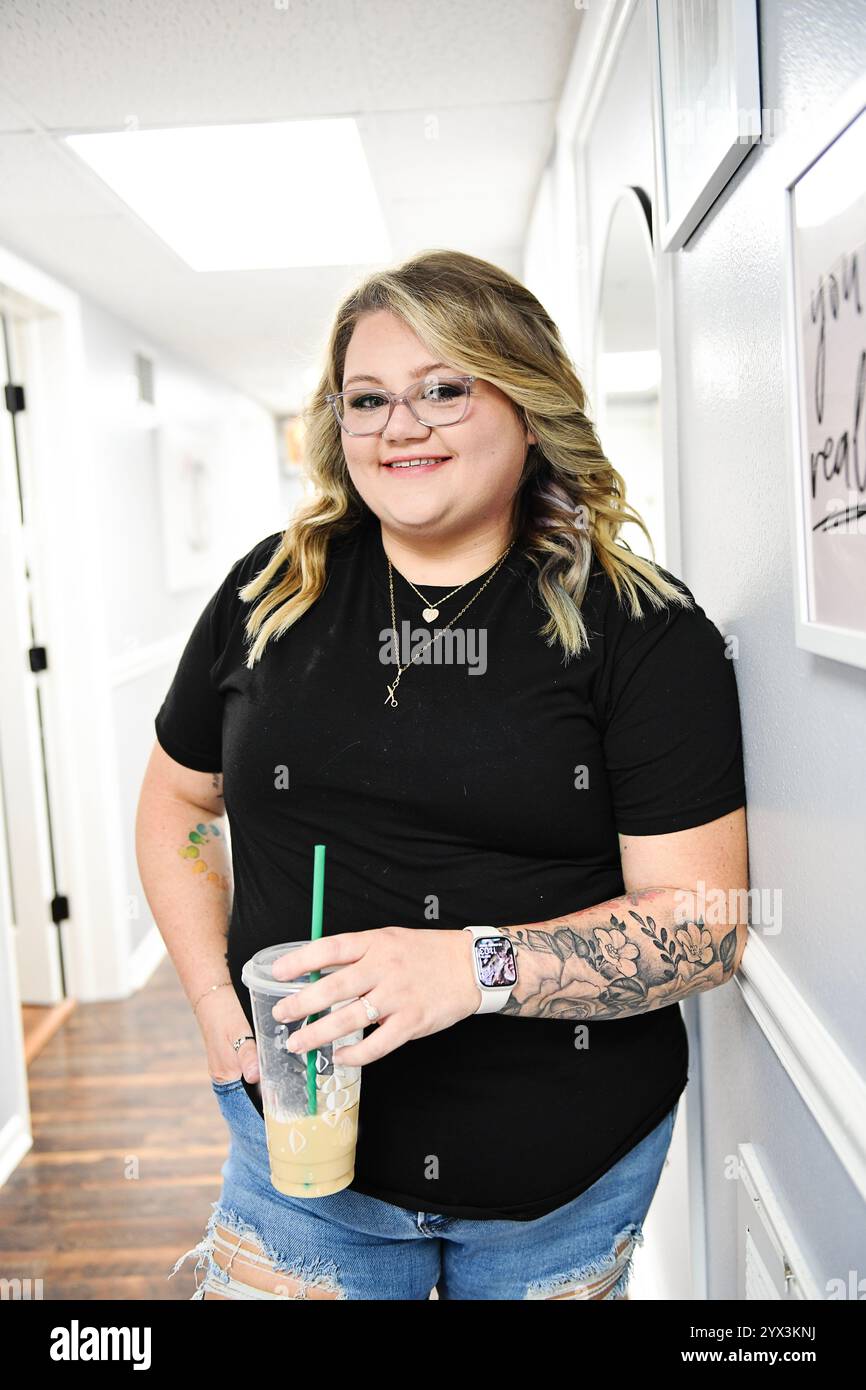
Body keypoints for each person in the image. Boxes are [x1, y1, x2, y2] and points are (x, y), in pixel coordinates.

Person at [136, 248, 749, 1301]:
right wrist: (215, 1008)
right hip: (297, 1173)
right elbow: (179, 800)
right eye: (365, 399)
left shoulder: (641, 629)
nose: (396, 426)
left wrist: (466, 968)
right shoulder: (268, 594)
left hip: (561, 1171)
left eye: (441, 388)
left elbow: (700, 923)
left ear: (526, 401)